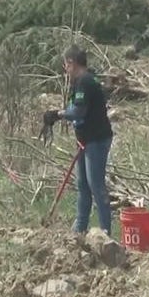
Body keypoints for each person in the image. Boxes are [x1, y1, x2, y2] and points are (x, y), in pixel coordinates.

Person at [43, 45, 114, 235]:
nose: (65, 69)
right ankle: (79, 230)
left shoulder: (85, 81)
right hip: (84, 140)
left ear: (71, 63)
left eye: (65, 65)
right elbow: (75, 108)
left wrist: (57, 115)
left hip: (96, 140)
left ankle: (105, 232)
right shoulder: (80, 82)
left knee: (96, 185)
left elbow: (78, 111)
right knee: (82, 184)